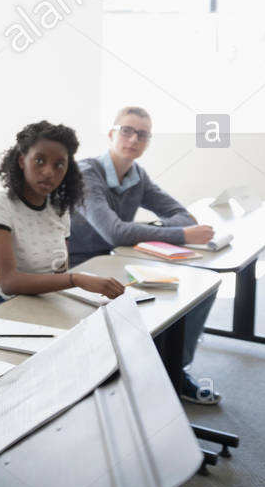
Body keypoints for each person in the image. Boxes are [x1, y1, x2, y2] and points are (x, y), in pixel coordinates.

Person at [68, 105, 222, 404]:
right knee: (159, 298)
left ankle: (174, 368)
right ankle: (142, 374)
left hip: (115, 260)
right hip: (78, 266)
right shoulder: (86, 175)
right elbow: (115, 233)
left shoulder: (137, 176)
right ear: (112, 133)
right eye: (127, 130)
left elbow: (181, 215)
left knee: (200, 284)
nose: (134, 139)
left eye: (143, 134)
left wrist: (145, 229)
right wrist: (177, 235)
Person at [0, 121, 125, 313]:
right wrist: (76, 279)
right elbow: (8, 283)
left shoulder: (59, 208)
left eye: (59, 165)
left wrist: (74, 283)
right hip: (2, 306)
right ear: (22, 161)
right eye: (39, 161)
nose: (49, 172)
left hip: (44, 301)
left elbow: (59, 272)